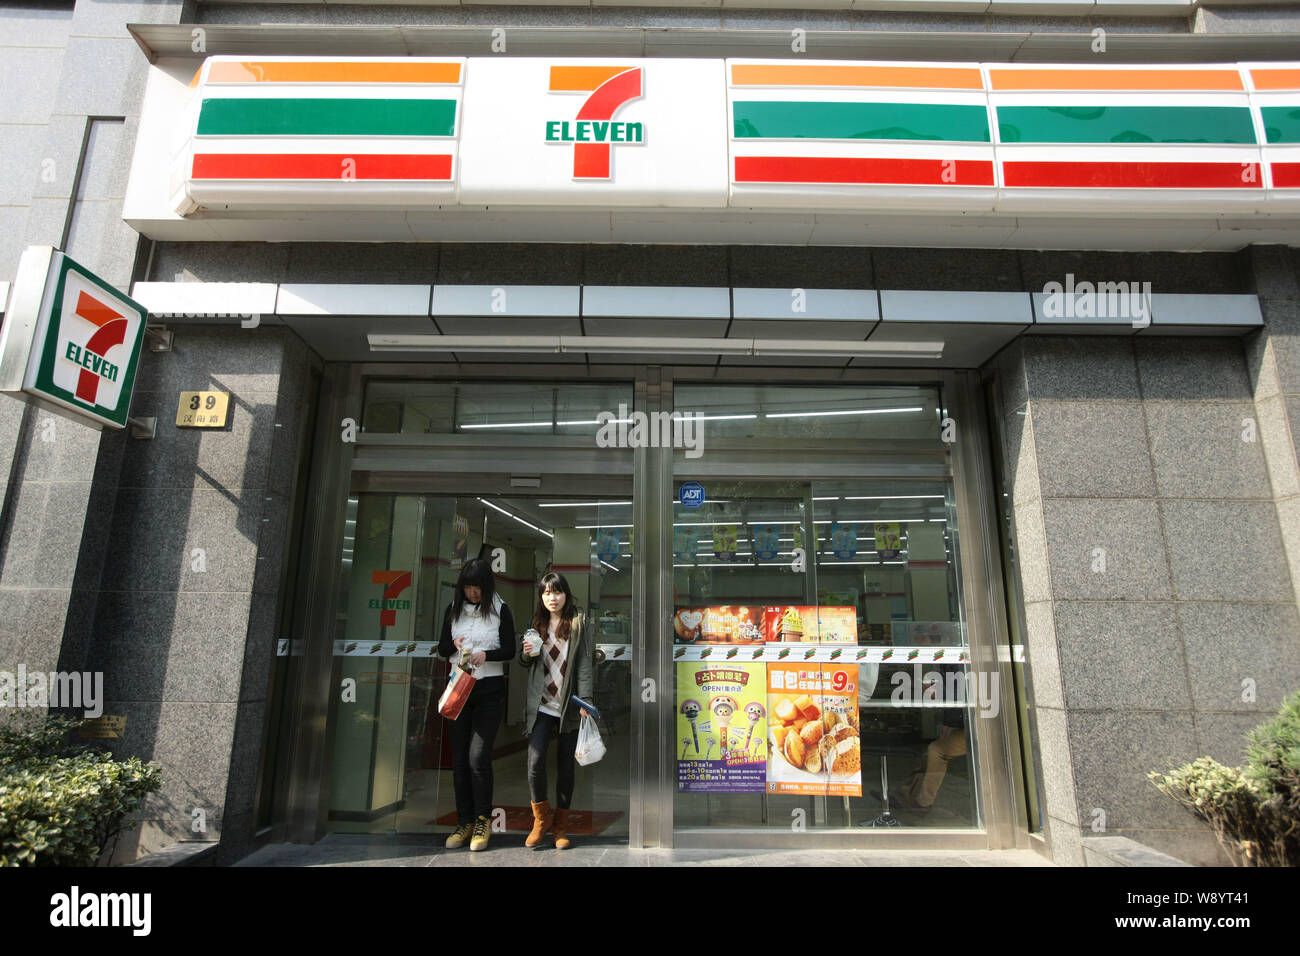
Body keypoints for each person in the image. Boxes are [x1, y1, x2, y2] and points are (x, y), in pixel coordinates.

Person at [437, 558, 516, 851]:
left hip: (489, 690)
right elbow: (441, 648)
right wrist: (454, 645)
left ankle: (483, 819)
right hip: (459, 688)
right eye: (468, 587)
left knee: (478, 757)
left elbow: (510, 649)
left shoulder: (500, 610)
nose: (473, 593)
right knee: (459, 760)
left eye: (477, 587)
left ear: (487, 586)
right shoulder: (452, 610)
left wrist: (486, 655)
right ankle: (465, 821)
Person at [518, 571, 594, 850]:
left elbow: (585, 662)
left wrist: (585, 700)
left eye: (558, 592)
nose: (553, 598)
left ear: (566, 594)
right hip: (540, 705)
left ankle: (560, 826)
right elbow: (525, 661)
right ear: (542, 596)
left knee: (565, 766)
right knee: (535, 761)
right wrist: (527, 653)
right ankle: (541, 820)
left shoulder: (577, 623)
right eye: (547, 593)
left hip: (568, 706)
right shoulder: (536, 623)